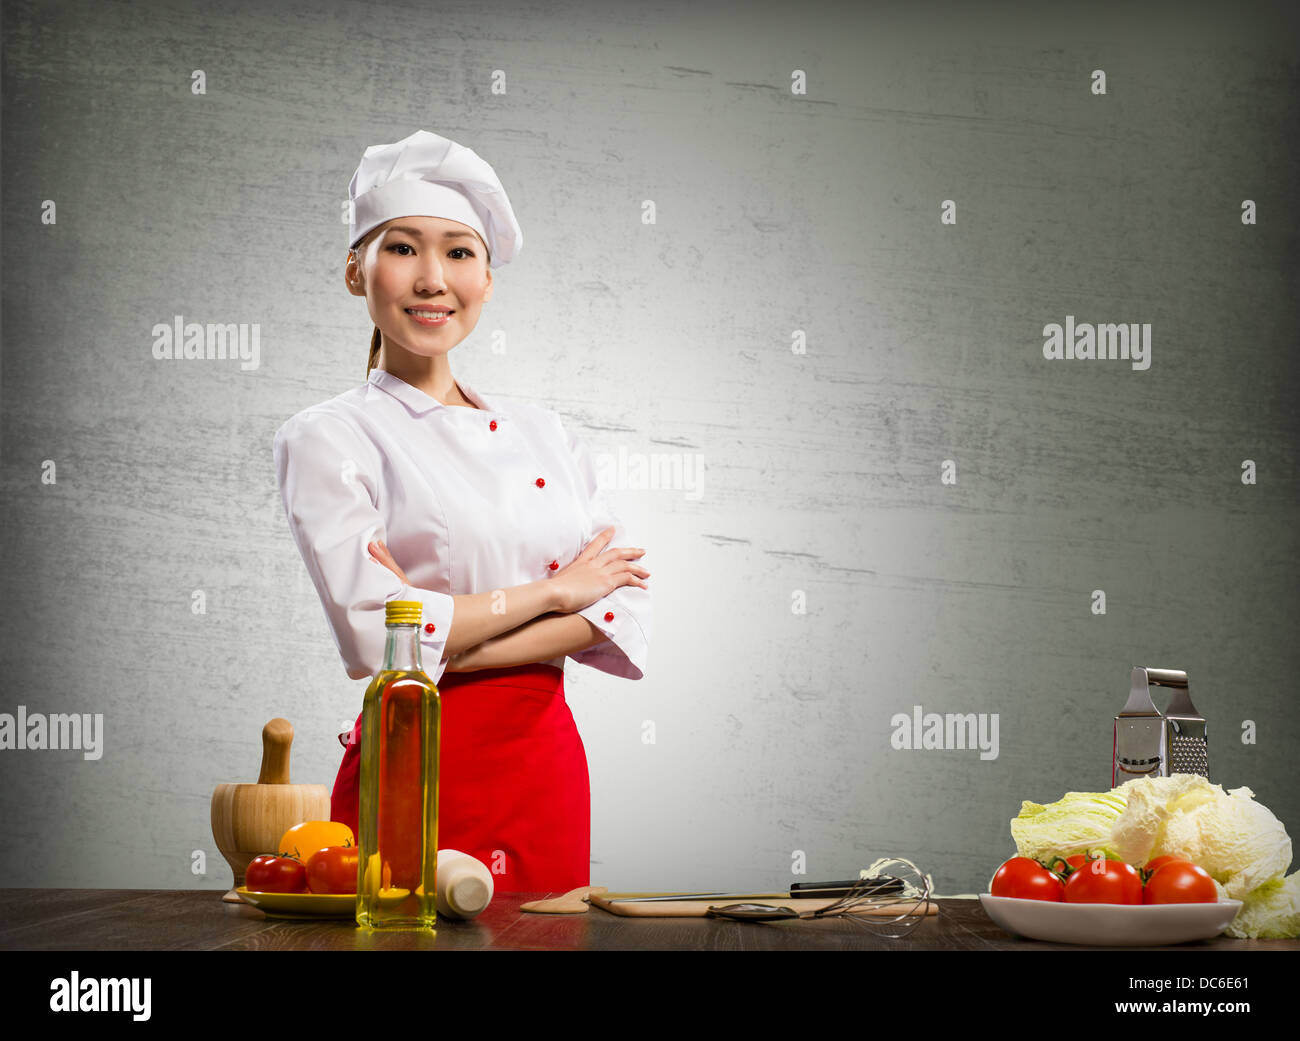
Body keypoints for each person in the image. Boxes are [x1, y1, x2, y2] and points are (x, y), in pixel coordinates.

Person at [273, 130, 651, 893]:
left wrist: (443, 636)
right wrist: (555, 592)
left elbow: (625, 605)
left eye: (458, 253)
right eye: (403, 248)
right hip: (413, 764)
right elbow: (371, 633)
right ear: (356, 270)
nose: (431, 279)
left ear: (486, 278)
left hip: (544, 768)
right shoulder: (328, 436)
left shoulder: (549, 435)